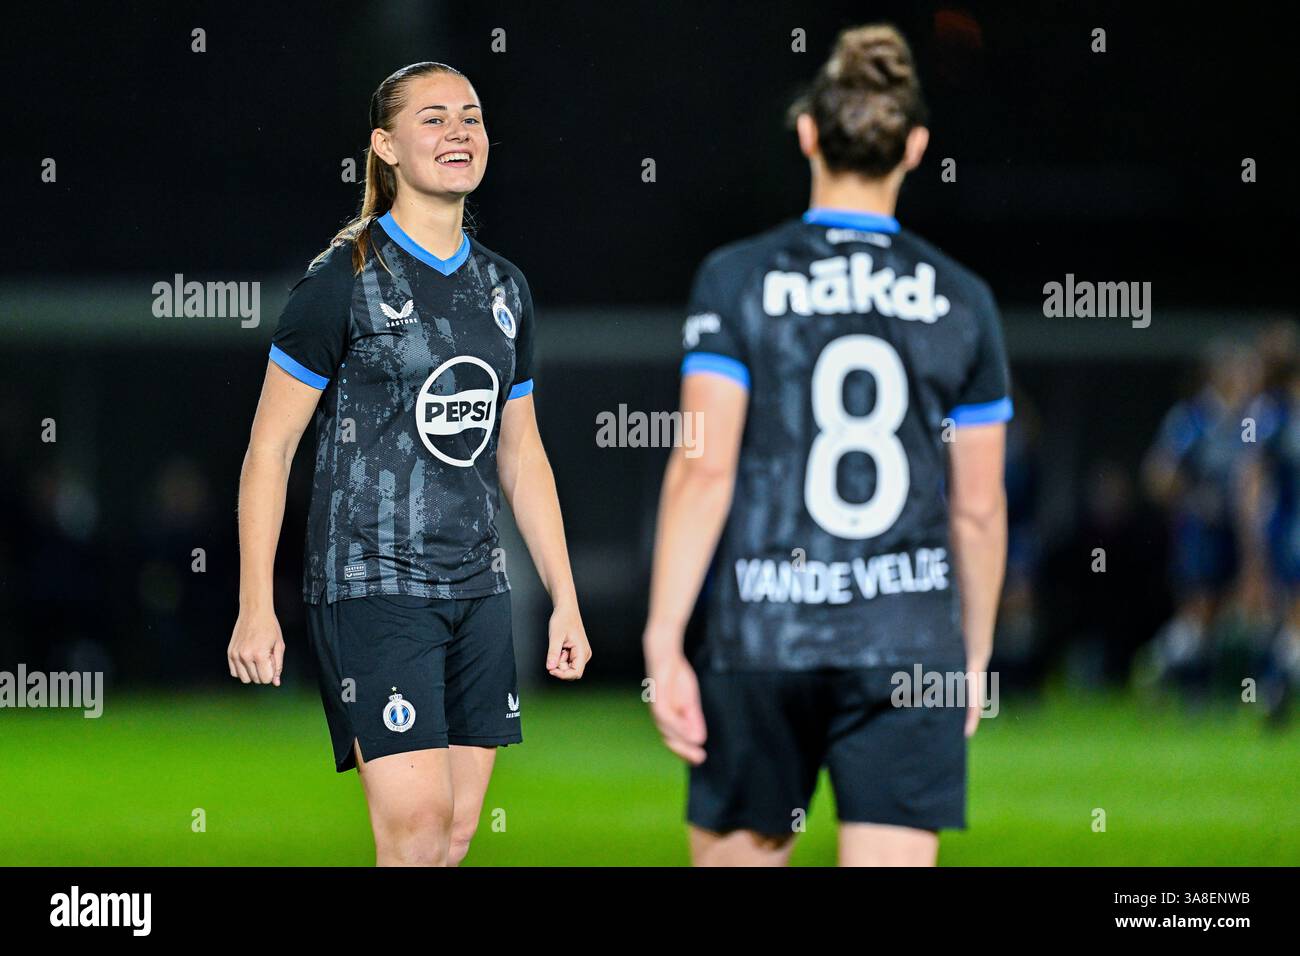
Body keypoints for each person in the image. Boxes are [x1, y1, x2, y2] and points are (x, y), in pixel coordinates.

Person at [643, 24, 1011, 866]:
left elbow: (704, 467)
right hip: (908, 638)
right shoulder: (962, 299)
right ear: (916, 147)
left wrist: (664, 639)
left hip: (764, 634)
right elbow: (980, 509)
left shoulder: (735, 278)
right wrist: (976, 653)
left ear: (806, 133)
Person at [226, 61, 591, 866]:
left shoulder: (505, 288)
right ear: (385, 146)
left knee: (454, 834)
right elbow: (269, 448)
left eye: (470, 116)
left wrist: (564, 596)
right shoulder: (340, 281)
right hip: (371, 585)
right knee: (417, 831)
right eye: (432, 119)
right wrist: (257, 601)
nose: (457, 132)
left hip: (478, 589)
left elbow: (521, 451)